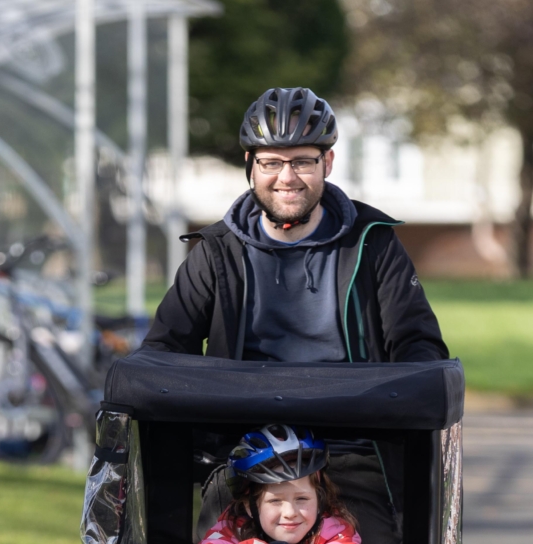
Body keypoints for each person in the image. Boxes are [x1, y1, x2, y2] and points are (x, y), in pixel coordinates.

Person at [143, 86, 448, 364]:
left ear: (327, 163)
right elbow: (165, 349)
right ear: (251, 164)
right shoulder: (217, 251)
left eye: (302, 161)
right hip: (241, 416)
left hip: (350, 416)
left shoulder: (372, 243)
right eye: (271, 163)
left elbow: (418, 344)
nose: (287, 177)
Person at [197, 424, 369, 544]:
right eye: (275, 501)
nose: (290, 512)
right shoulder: (231, 527)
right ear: (250, 506)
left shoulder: (334, 531)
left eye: (302, 499)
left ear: (320, 500)